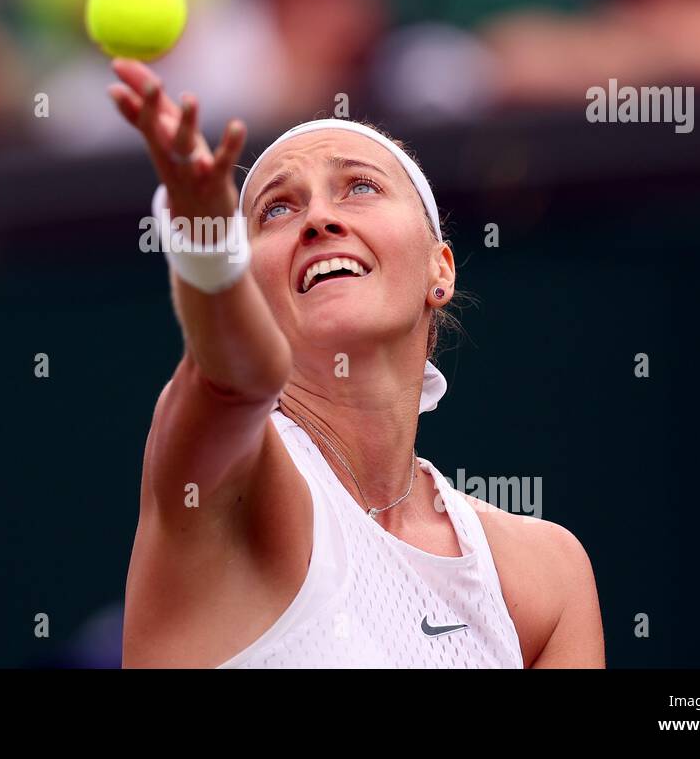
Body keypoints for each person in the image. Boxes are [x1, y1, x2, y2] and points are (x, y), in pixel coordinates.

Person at [108, 58, 605, 668]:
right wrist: (207, 249)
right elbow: (234, 378)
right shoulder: (227, 476)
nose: (318, 219)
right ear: (250, 290)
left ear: (439, 268)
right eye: (276, 210)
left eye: (360, 187)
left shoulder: (544, 573)